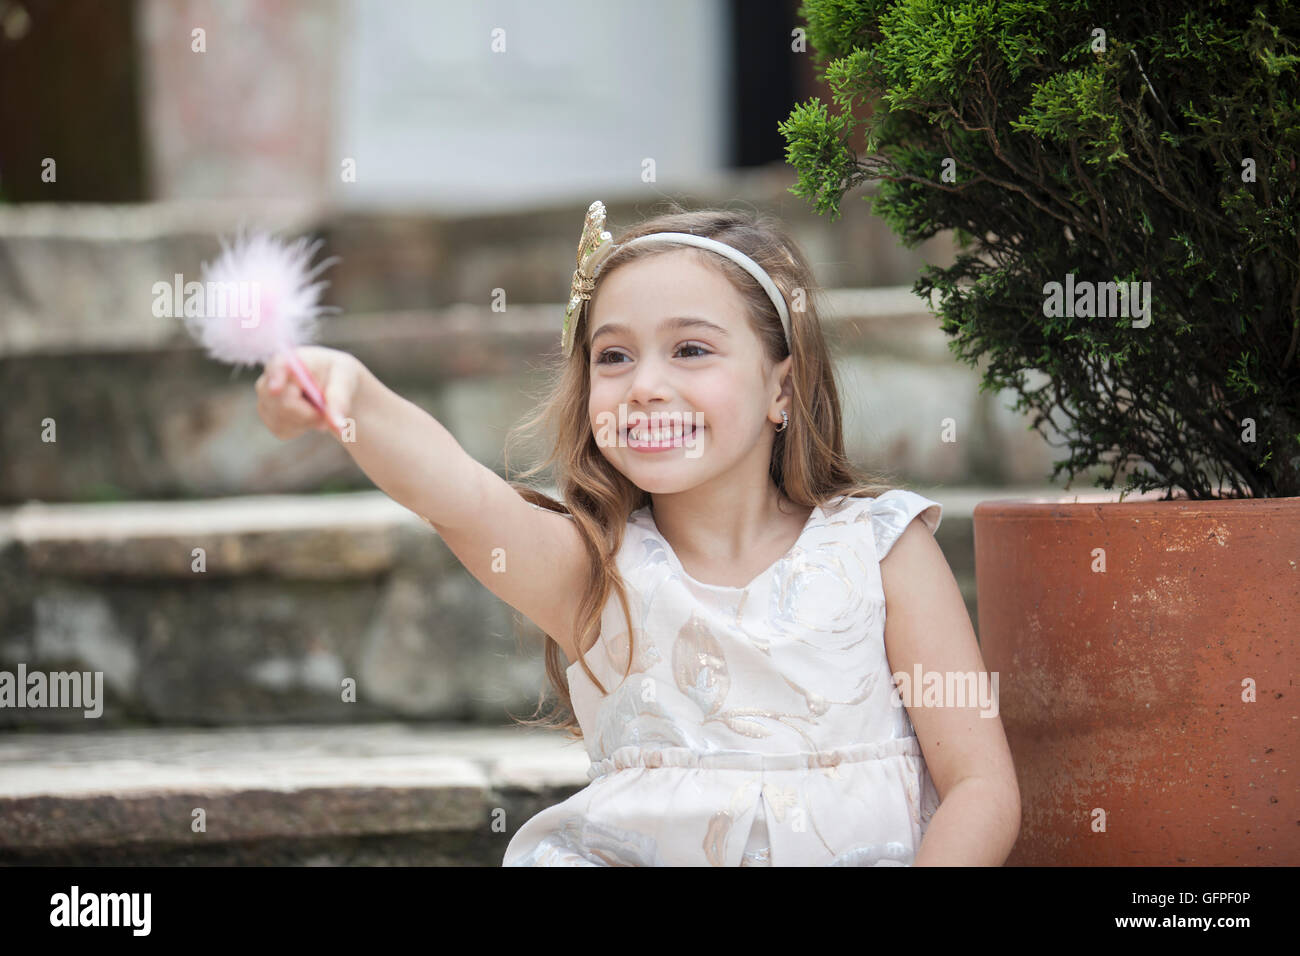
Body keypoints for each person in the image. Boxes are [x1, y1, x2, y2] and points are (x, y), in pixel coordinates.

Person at [254, 200, 1021, 866]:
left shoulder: (881, 549)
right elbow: (458, 496)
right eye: (614, 356)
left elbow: (981, 789)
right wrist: (348, 391)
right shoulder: (595, 569)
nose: (646, 383)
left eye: (691, 348)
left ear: (781, 387)